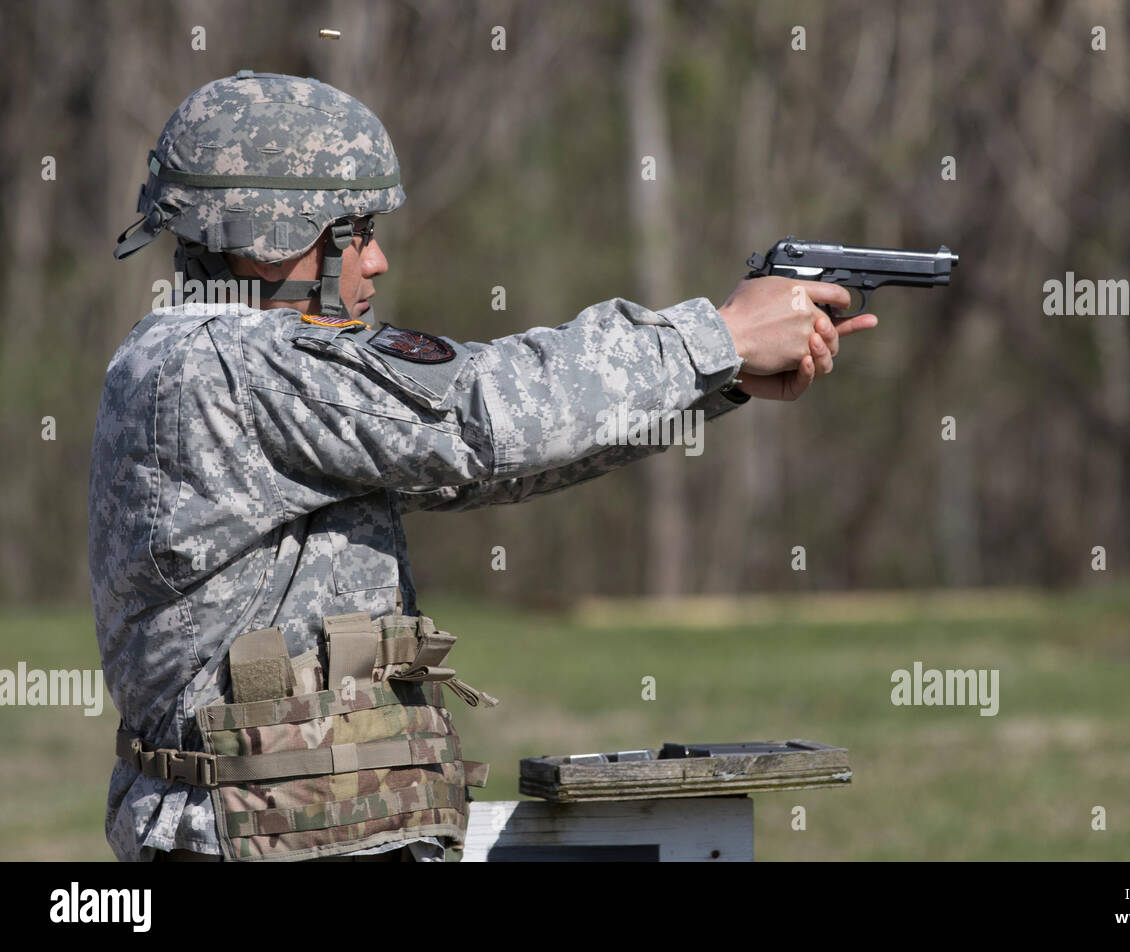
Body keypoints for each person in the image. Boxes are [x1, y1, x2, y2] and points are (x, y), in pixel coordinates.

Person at [92, 71, 876, 862]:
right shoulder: (222, 360)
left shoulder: (220, 360)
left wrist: (715, 381)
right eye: (355, 231)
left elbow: (479, 468)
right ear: (278, 234)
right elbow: (481, 413)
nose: (378, 260)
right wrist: (717, 337)